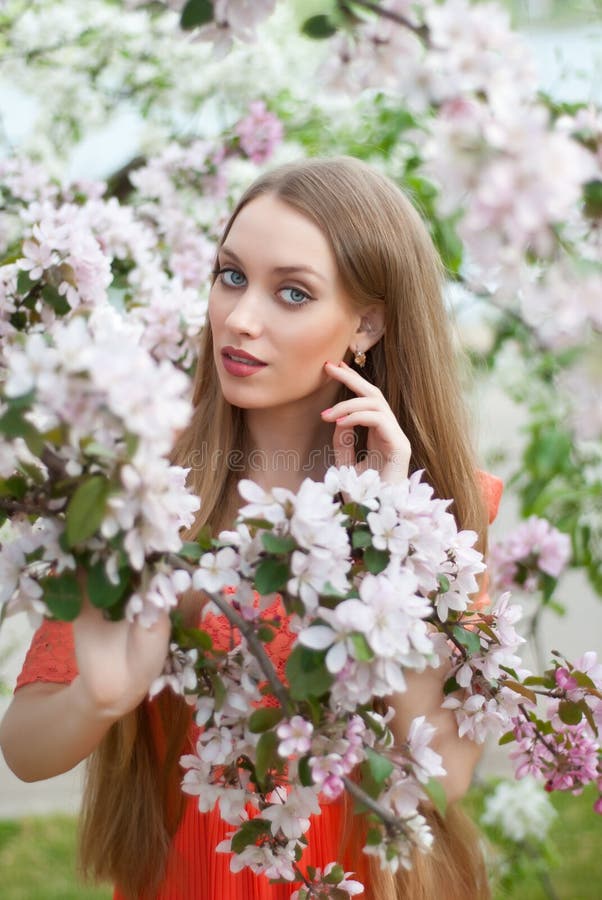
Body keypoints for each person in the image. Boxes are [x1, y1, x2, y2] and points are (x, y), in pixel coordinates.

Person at [0, 156, 502, 899]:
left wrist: (397, 540)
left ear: (367, 322)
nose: (240, 317)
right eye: (231, 275)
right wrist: (98, 699)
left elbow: (444, 778)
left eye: (291, 292)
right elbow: (25, 748)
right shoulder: (139, 488)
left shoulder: (440, 510)